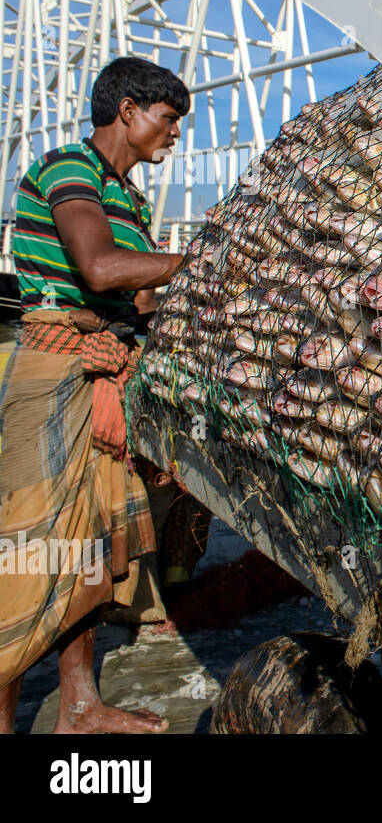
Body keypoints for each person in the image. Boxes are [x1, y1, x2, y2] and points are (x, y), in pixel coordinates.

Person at [0, 56, 188, 733]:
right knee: (31, 552)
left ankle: (79, 705)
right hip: (55, 377)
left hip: (103, 377)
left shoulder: (128, 197)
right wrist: (205, 258)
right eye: (168, 120)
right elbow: (101, 268)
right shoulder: (68, 169)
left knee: (86, 552)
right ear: (129, 110)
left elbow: (137, 299)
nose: (173, 135)